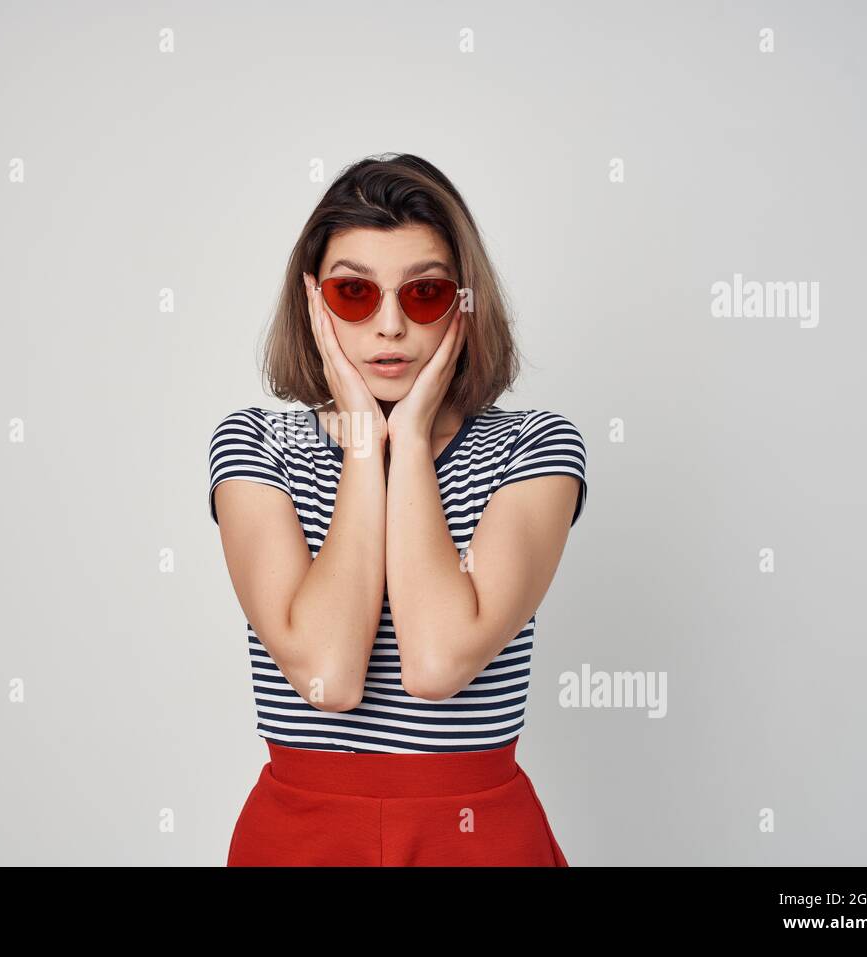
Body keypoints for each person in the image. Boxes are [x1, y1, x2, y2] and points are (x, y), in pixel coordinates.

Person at [208, 153, 587, 866]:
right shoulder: (254, 444)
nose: (389, 326)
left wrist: (409, 439)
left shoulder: (535, 446)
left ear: (464, 301)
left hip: (480, 839)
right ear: (313, 301)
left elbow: (438, 664)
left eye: (425, 294)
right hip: (299, 839)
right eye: (355, 292)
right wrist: (360, 442)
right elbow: (329, 671)